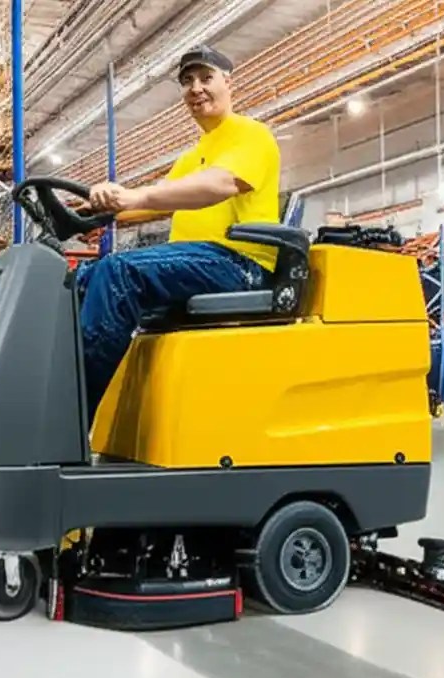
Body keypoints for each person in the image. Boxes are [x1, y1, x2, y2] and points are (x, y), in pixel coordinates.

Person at [72, 45, 282, 424]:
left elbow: (221, 183)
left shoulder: (251, 134)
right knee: (81, 279)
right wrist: (93, 212)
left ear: (228, 82)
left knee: (118, 273)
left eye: (205, 78)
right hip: (203, 263)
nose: (195, 88)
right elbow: (156, 202)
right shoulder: (192, 156)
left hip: (240, 264)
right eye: (187, 81)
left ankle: (72, 421)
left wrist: (135, 196)